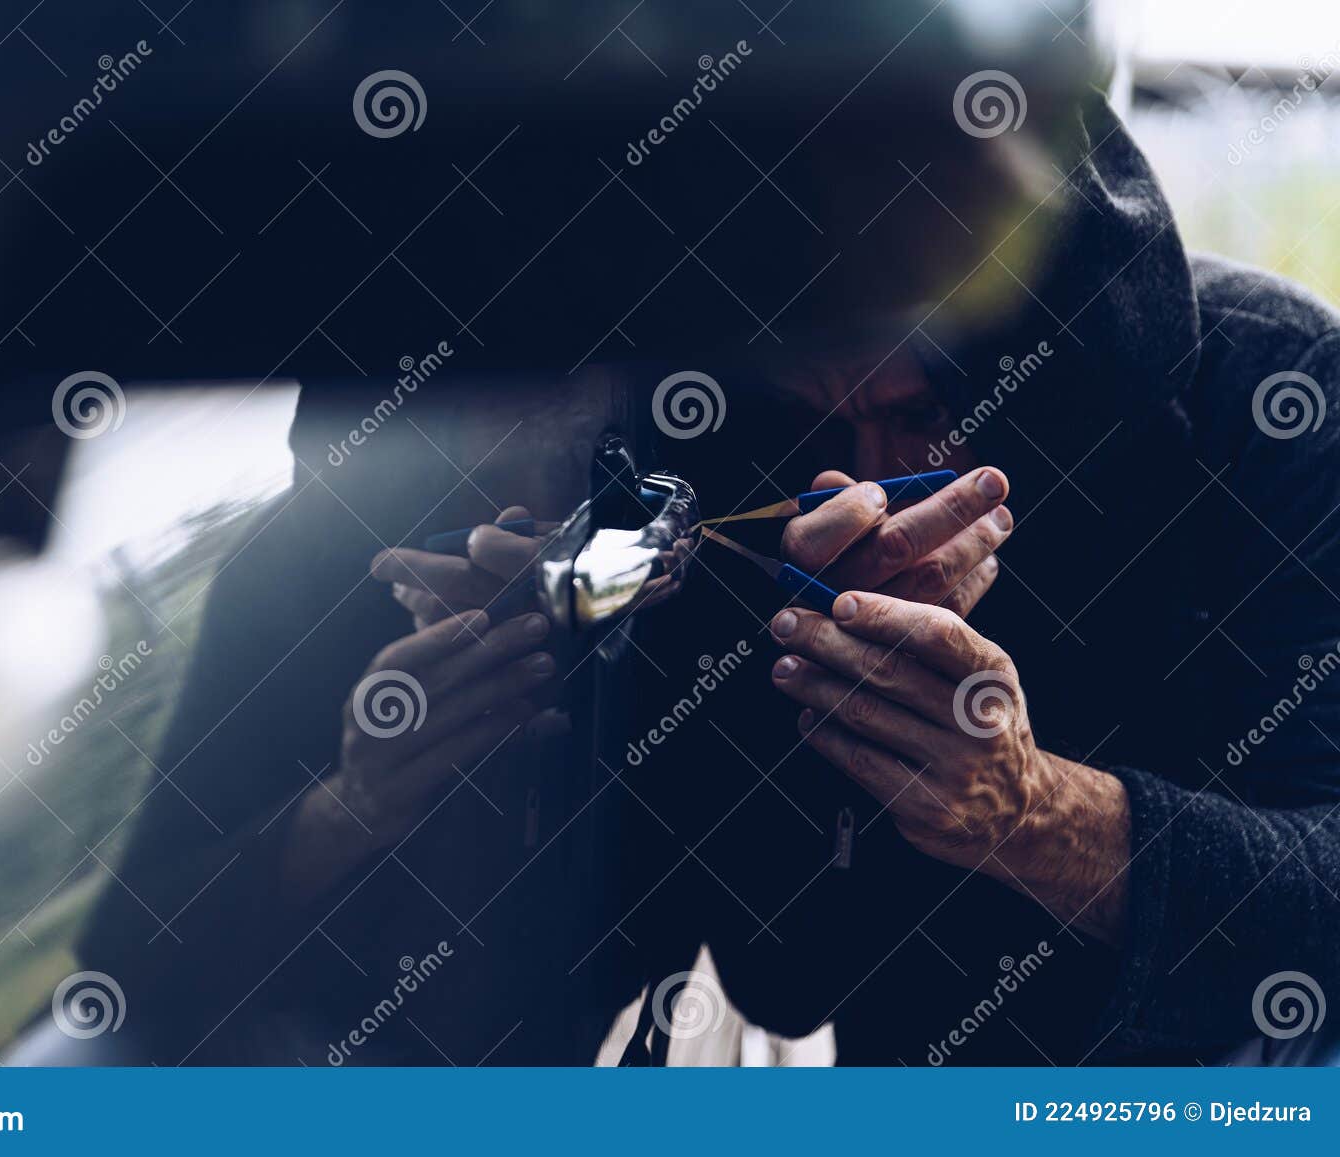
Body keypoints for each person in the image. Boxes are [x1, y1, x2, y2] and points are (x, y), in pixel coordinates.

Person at [372, 92, 1340, 1065]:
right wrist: (581, 644)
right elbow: (761, 958)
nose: (864, 480)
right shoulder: (709, 429)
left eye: (922, 413)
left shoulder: (1280, 399)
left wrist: (1035, 809)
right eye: (815, 413)